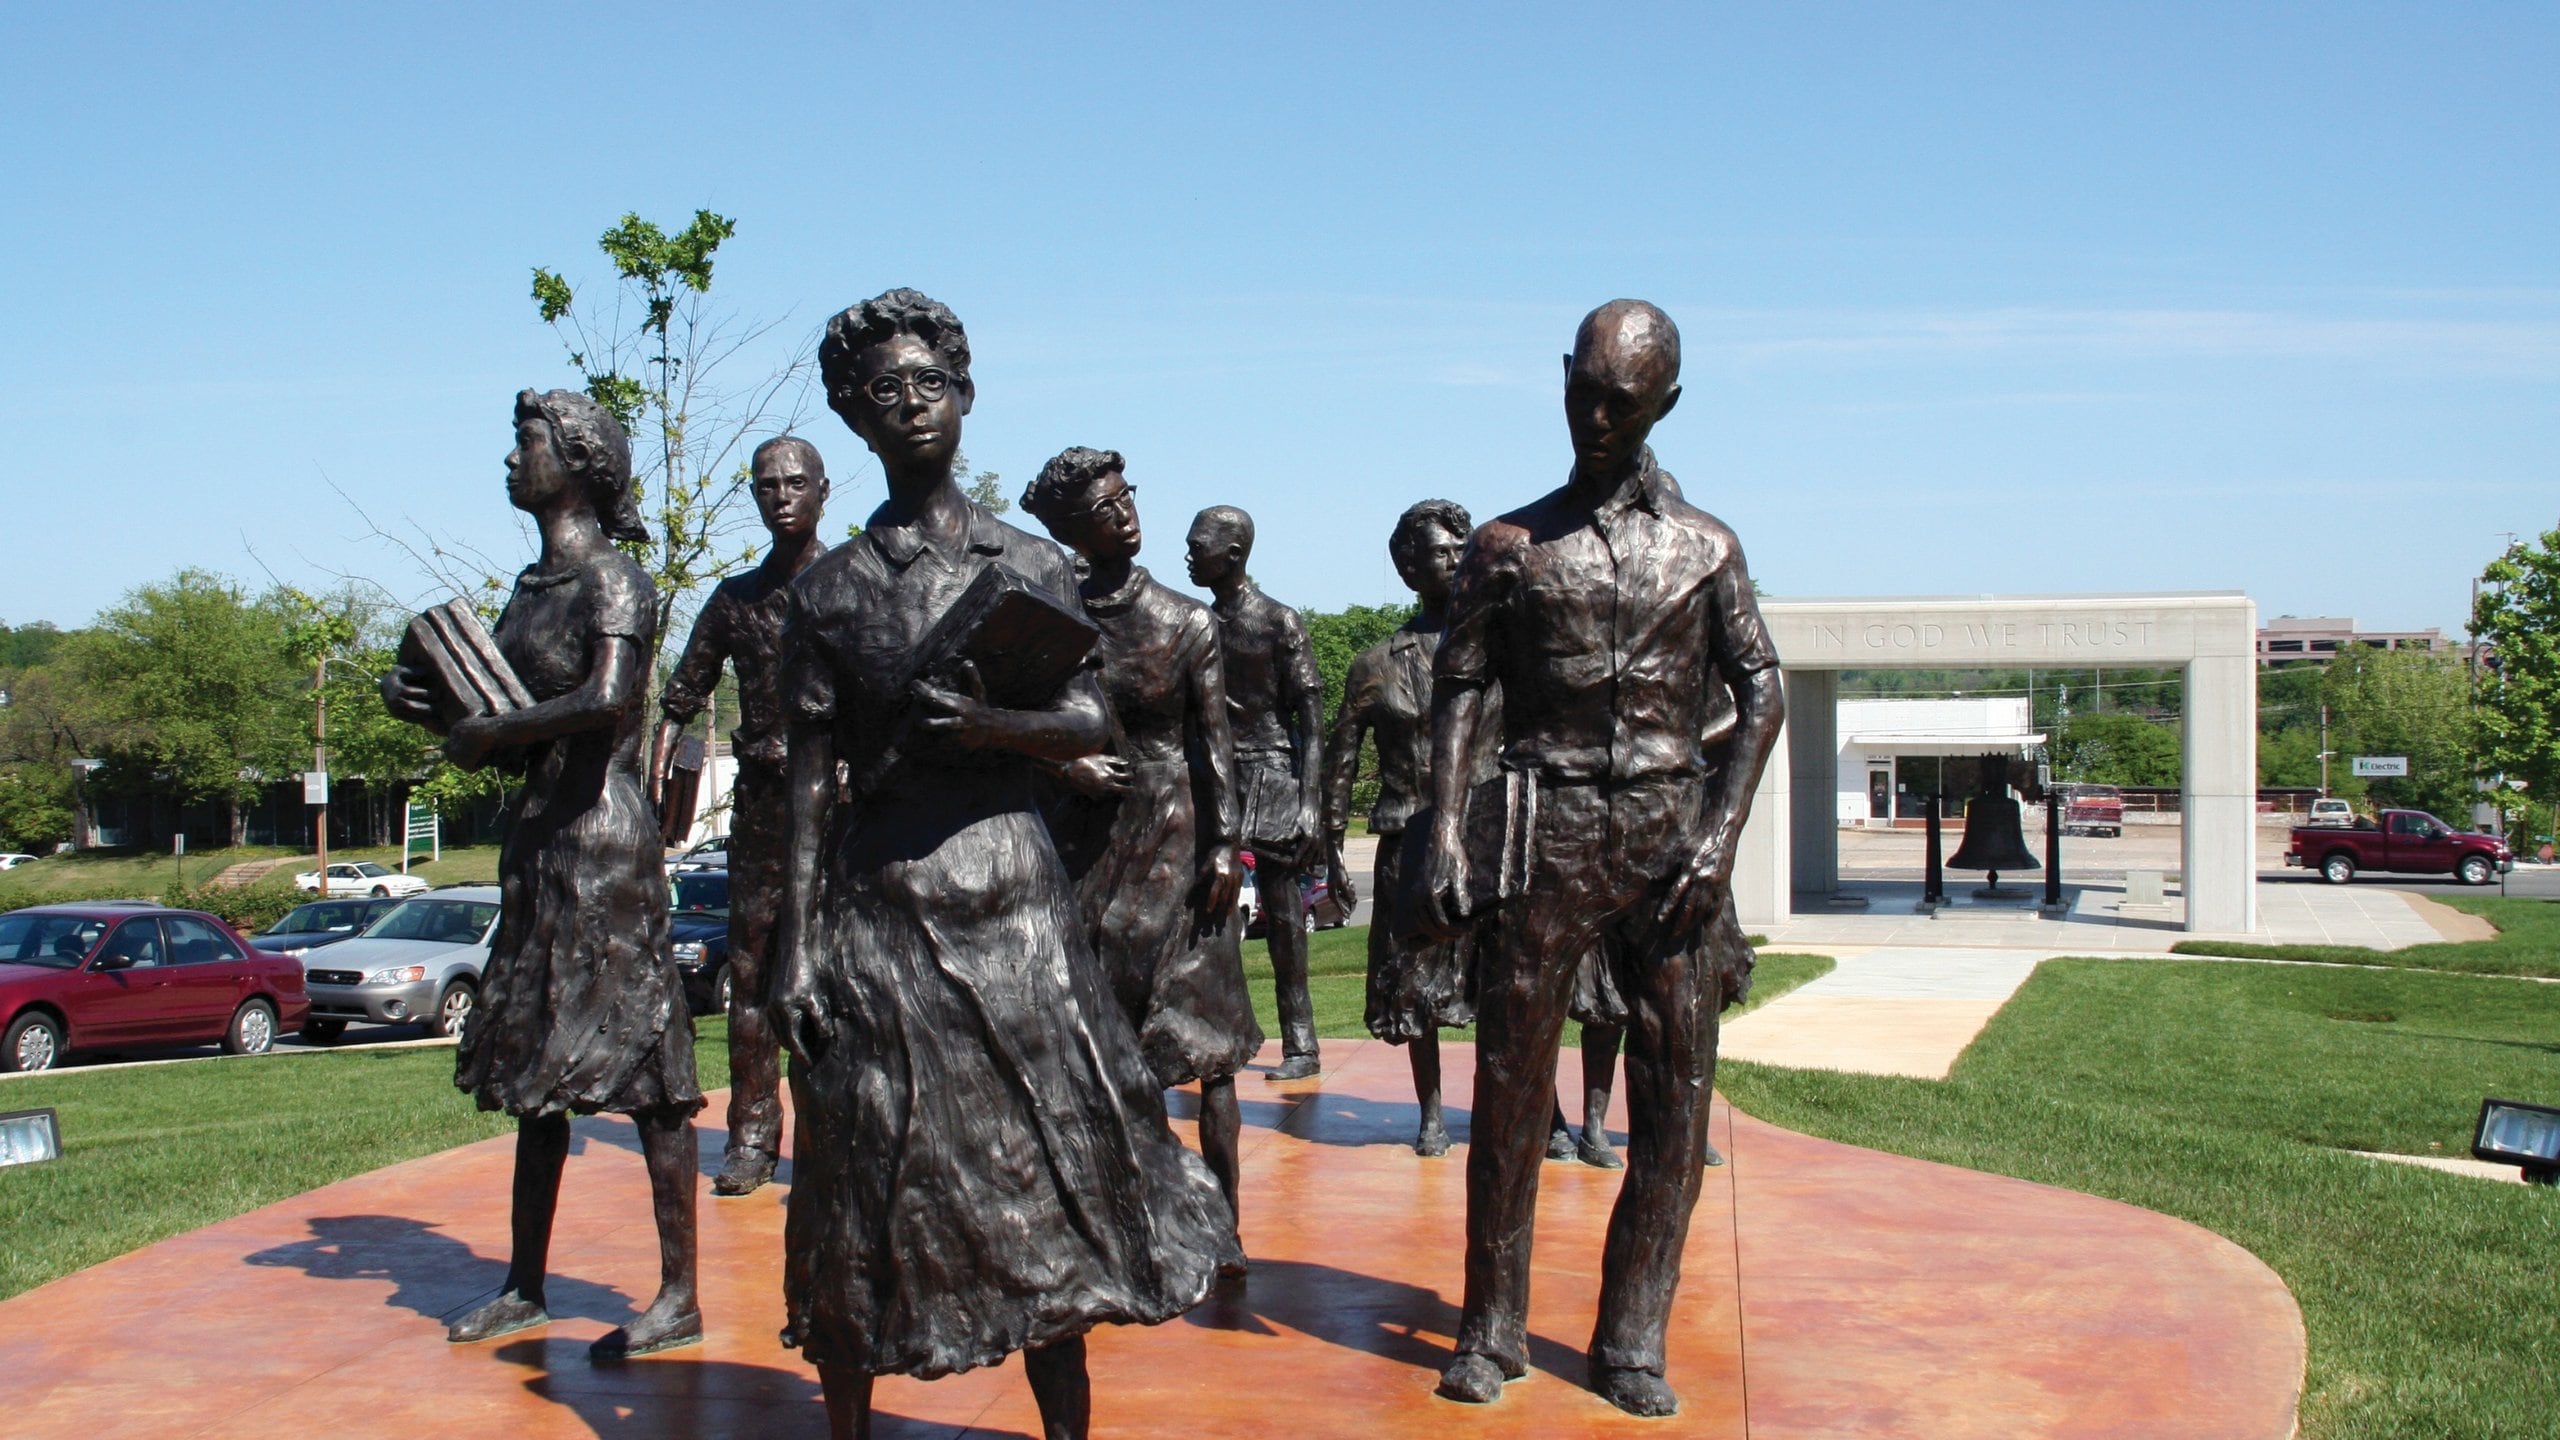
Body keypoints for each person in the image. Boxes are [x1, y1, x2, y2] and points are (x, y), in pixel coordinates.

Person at [771, 291, 1230, 1440]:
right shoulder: (826, 593)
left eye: (930, 382)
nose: (911, 404)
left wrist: (988, 727)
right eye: (885, 390)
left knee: (1049, 1173)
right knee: (860, 1173)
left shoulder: (1030, 563)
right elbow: (805, 784)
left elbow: (1088, 723)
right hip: (881, 907)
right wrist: (792, 951)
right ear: (851, 415)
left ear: (965, 395)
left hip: (1018, 906)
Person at [1419, 300, 1783, 1417]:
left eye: (1621, 402)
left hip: (1671, 840)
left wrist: (1719, 837)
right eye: (1582, 392)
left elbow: (1763, 689)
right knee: (1510, 1086)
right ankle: (1491, 1327)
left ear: (1665, 403)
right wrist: (1446, 828)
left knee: (1675, 1095)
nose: (1595, 417)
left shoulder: (1706, 546)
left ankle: (1631, 1338)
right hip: (1548, 822)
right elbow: (1461, 685)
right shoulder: (1510, 546)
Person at [381, 388, 704, 1360]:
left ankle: (679, 1293)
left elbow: (607, 700)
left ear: (580, 462)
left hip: (604, 847)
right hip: (538, 847)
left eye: (527, 443)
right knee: (536, 1071)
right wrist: (427, 703)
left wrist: (491, 732)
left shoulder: (617, 580)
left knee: (649, 1074)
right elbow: (506, 711)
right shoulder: (530, 589)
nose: (512, 459)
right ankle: (524, 1283)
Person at [1021, 445, 1263, 1272]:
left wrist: (1226, 846)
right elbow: (1017, 731)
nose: (1125, 514)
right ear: (1072, 530)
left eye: (1127, 497)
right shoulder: (1052, 619)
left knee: (1209, 1049)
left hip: (1179, 840)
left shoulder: (1187, 620)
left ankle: (1225, 1226)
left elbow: (1215, 745)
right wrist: (1067, 767)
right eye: (1105, 508)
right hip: (1088, 847)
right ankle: (1127, 1214)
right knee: (1102, 1047)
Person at [649, 434, 831, 1199]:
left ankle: (831, 1135)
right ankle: (753, 1135)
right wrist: (656, 780)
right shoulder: (733, 600)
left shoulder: (851, 587)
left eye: (794, 483)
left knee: (835, 972)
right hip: (761, 809)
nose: (780, 496)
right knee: (751, 971)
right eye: (766, 486)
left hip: (838, 811)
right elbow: (680, 698)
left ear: (823, 491)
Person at [1320, 499, 1488, 1156]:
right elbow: (1340, 762)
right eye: (1442, 552)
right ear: (1408, 567)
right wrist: (1332, 847)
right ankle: (1432, 1113)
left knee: (1501, 975)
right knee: (1414, 977)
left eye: (1462, 549)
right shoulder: (1375, 665)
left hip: (1484, 832)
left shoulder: (1501, 648)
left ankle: (1532, 1109)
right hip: (1407, 837)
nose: (1456, 561)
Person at [1185, 505, 1326, 1081]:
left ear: (1234, 554)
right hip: (1213, 772)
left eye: (1198, 546)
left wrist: (1310, 800)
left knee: (1285, 917)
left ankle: (1302, 1046)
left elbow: (1310, 716)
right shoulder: (1193, 620)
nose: (1188, 555)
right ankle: (1208, 1033)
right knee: (1203, 912)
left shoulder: (1277, 620)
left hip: (1271, 769)